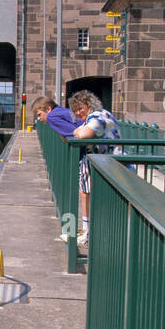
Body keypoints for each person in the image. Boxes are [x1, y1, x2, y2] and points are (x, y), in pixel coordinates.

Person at [70, 89, 123, 249]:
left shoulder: (97, 116)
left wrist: (77, 131)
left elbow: (84, 134)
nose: (78, 113)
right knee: (92, 194)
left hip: (105, 162)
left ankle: (89, 233)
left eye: (80, 108)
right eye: (75, 110)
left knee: (86, 193)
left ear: (89, 105)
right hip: (110, 161)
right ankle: (95, 231)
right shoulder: (103, 114)